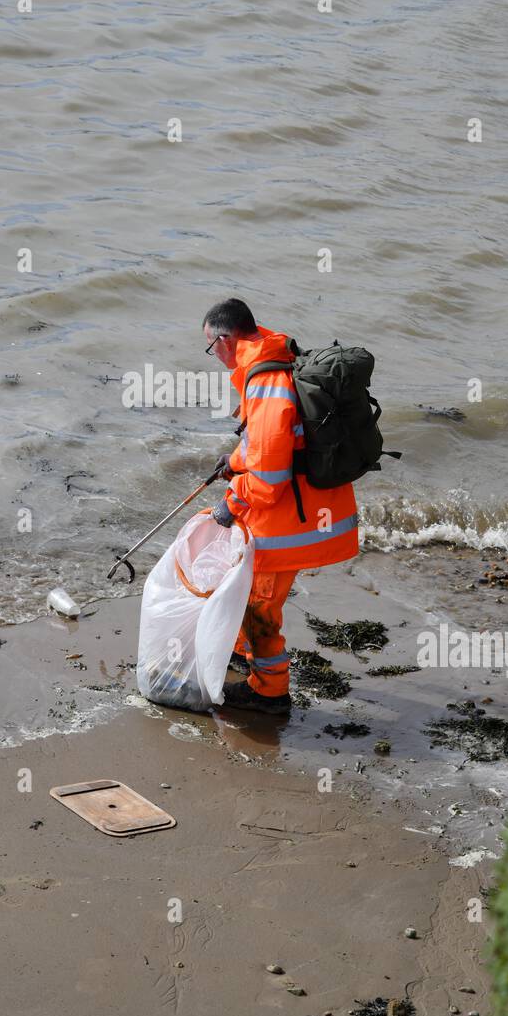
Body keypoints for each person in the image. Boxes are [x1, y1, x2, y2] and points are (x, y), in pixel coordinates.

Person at [203, 298, 359, 714]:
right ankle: (240, 651)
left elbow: (270, 478)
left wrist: (232, 503)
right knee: (249, 592)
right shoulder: (275, 356)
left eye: (210, 347)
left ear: (225, 339)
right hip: (305, 506)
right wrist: (233, 460)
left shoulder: (264, 381)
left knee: (259, 604)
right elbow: (268, 444)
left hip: (291, 519)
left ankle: (269, 692)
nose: (214, 356)